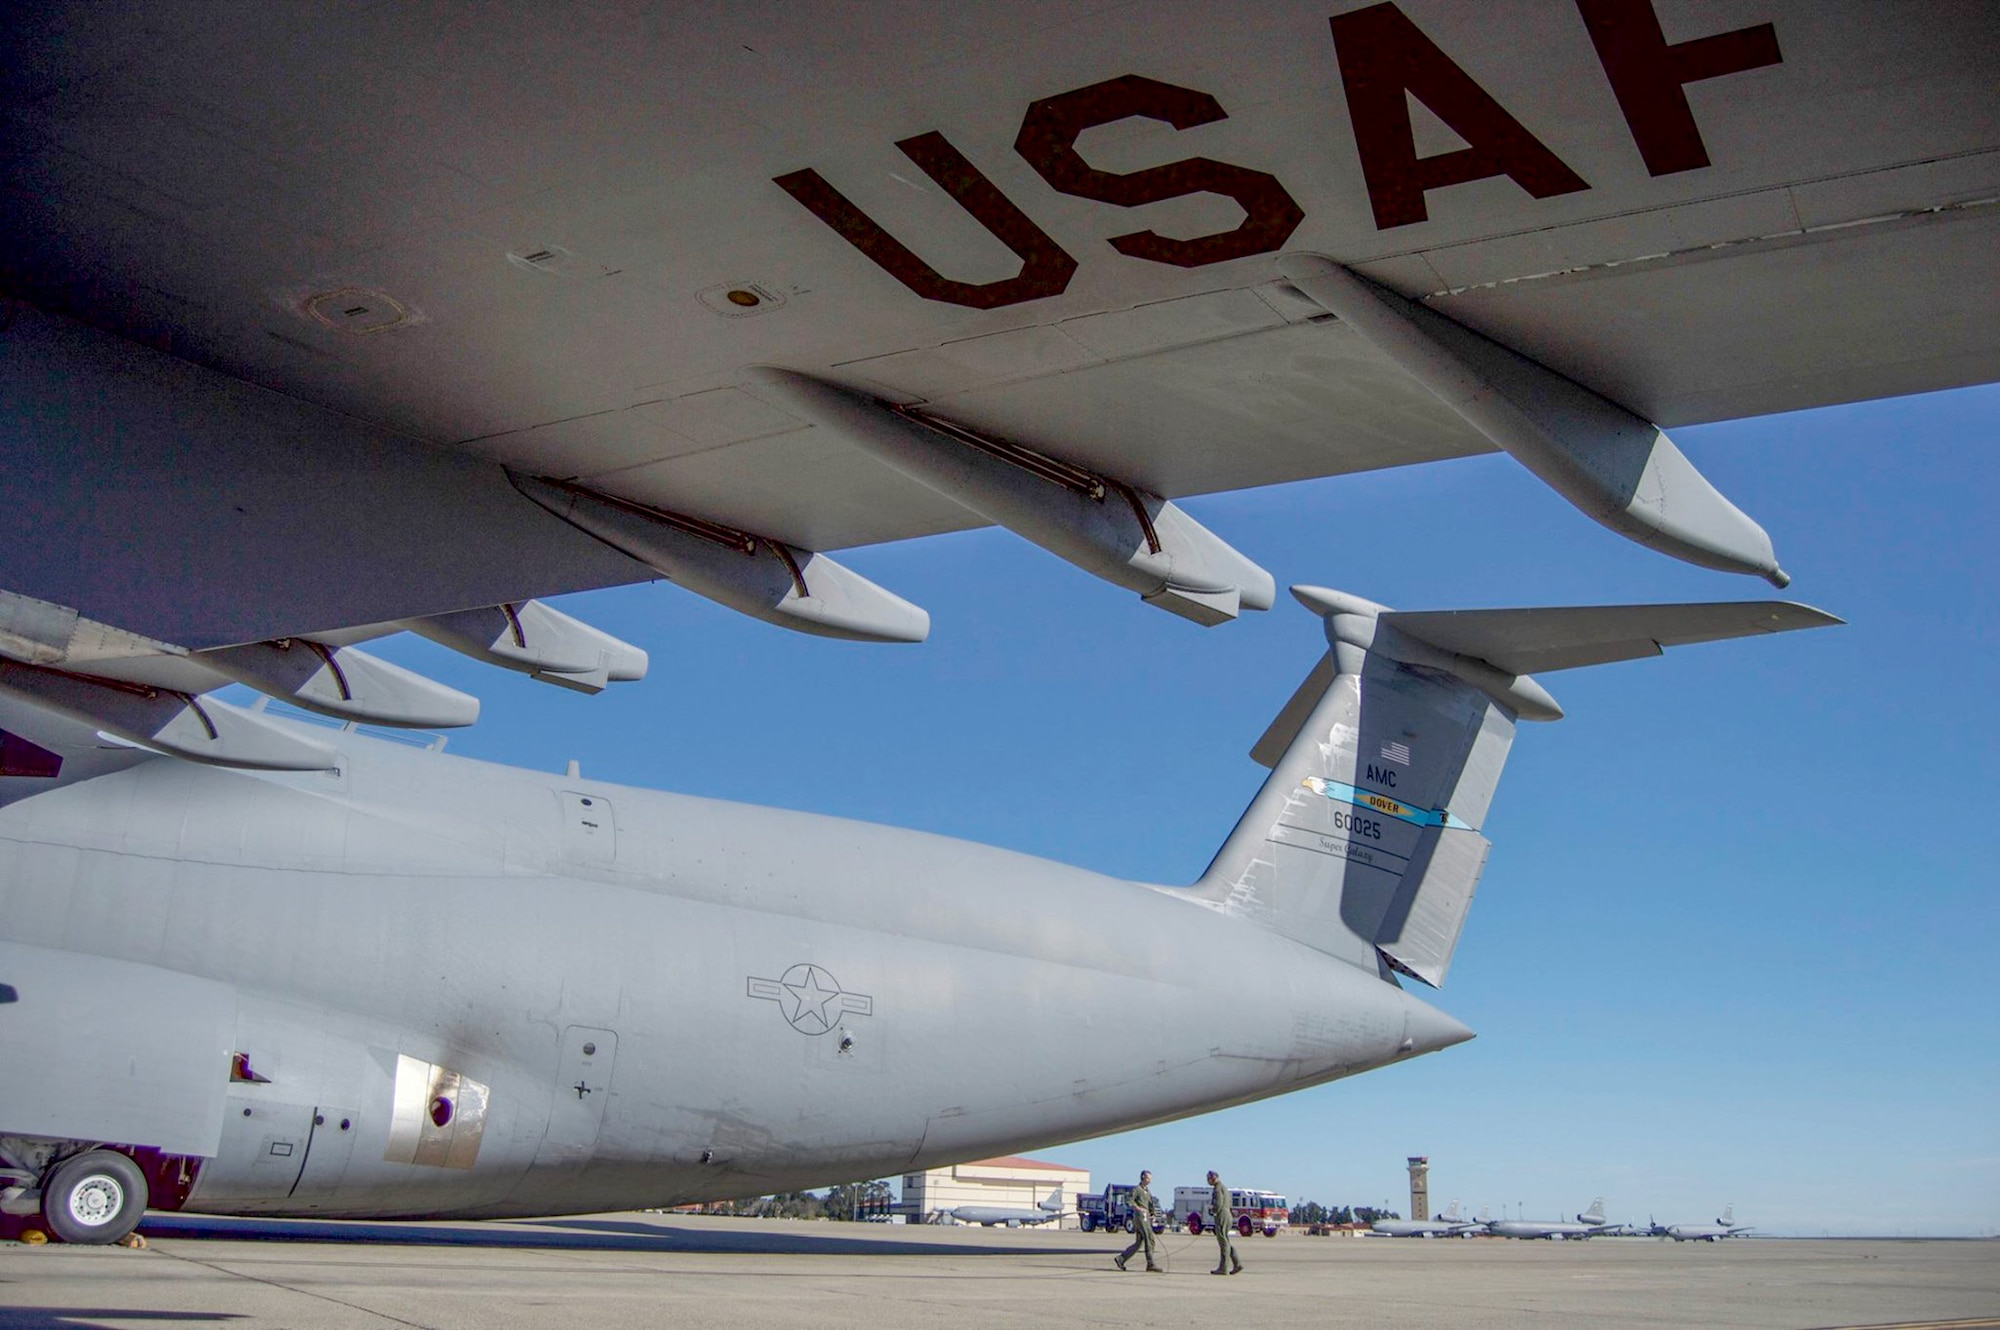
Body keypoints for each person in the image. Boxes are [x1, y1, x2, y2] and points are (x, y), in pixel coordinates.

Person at [1113, 1170, 1163, 1272]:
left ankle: (1121, 1259)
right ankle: (1151, 1263)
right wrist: (1137, 1208)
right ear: (1143, 1178)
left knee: (1139, 1243)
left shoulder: (1147, 1191)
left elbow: (1150, 1204)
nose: (1150, 1181)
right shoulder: (1137, 1189)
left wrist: (1152, 1214)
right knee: (1148, 1238)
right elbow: (1129, 1200)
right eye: (1148, 1178)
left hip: (1146, 1217)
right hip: (1140, 1217)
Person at [1208, 1170, 1243, 1275]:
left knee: (1223, 1242)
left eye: (1208, 1179)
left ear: (1213, 1178)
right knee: (1226, 1241)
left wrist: (1214, 1210)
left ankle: (1224, 1267)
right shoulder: (1224, 1187)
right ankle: (1237, 1263)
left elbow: (1218, 1202)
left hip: (1222, 1215)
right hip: (1227, 1214)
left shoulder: (1218, 1188)